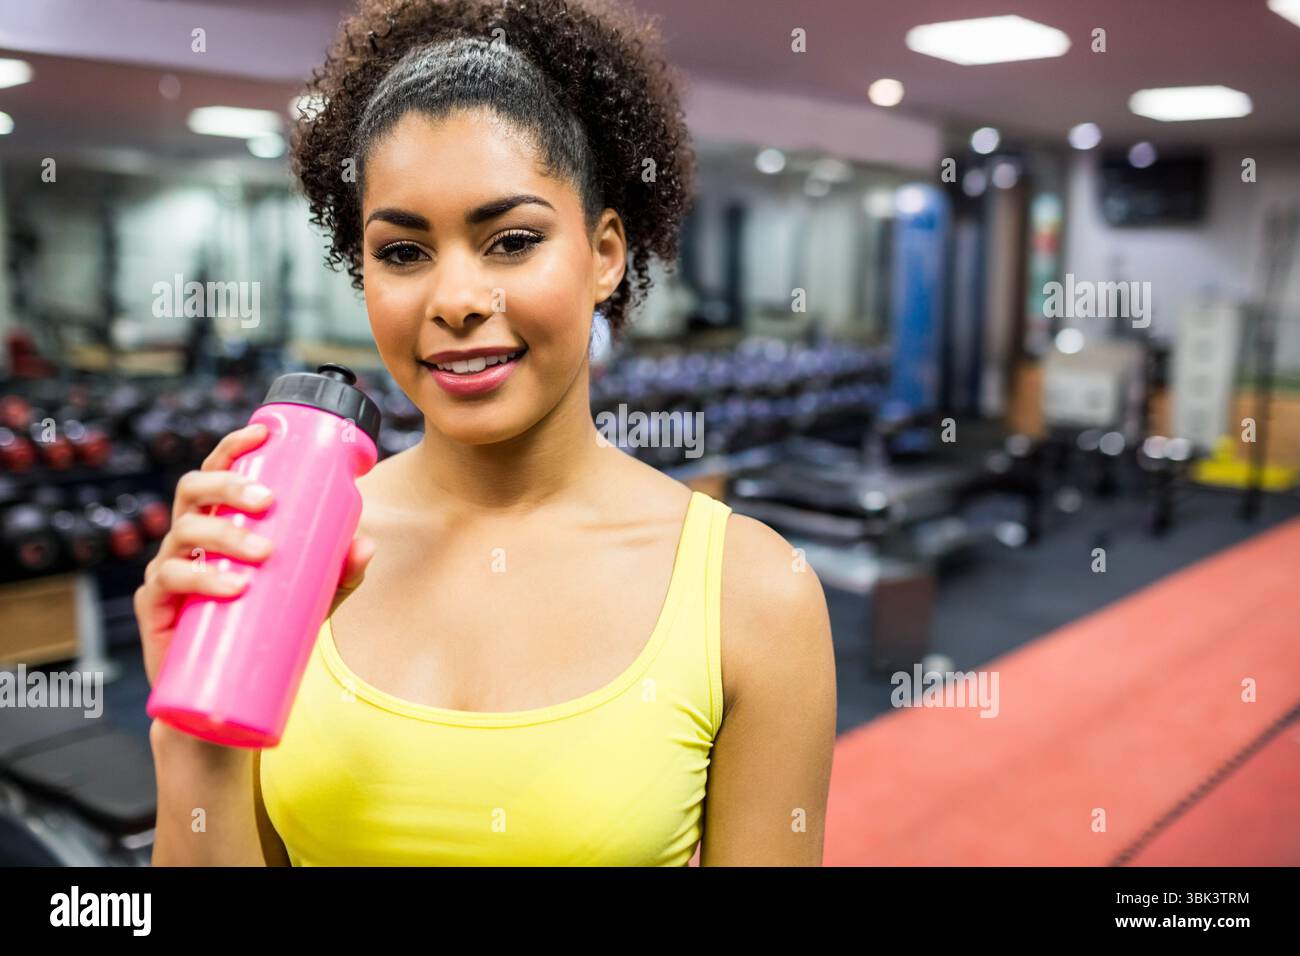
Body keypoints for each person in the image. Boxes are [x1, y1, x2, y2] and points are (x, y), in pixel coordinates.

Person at [138, 0, 835, 866]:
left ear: (606, 252)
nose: (456, 299)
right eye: (402, 252)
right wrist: (197, 738)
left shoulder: (756, 593)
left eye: (510, 240)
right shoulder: (288, 558)